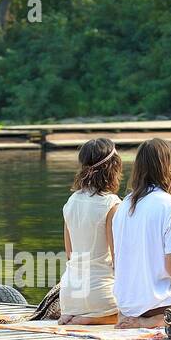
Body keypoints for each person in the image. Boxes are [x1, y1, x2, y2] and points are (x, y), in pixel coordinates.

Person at [111, 137, 171, 330]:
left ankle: (149, 318)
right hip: (156, 304)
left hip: (127, 305)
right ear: (167, 167)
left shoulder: (123, 206)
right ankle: (155, 321)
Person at [58, 138, 122, 325]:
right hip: (100, 293)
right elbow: (118, 259)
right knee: (138, 314)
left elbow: (70, 255)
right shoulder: (112, 204)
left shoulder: (71, 201)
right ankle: (90, 319)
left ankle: (76, 314)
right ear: (113, 168)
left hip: (69, 292)